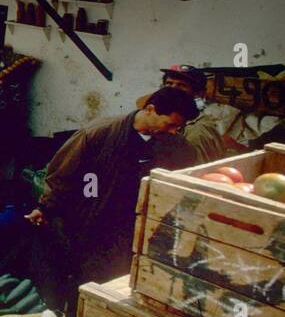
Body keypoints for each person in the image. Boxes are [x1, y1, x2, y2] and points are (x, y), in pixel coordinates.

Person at [25, 86, 199, 304]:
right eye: (171, 124)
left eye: (179, 127)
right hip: (88, 228)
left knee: (115, 291)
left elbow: (185, 182)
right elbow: (62, 176)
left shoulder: (177, 147)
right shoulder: (98, 135)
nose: (174, 131)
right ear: (150, 110)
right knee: (76, 285)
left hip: (134, 233)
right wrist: (46, 208)